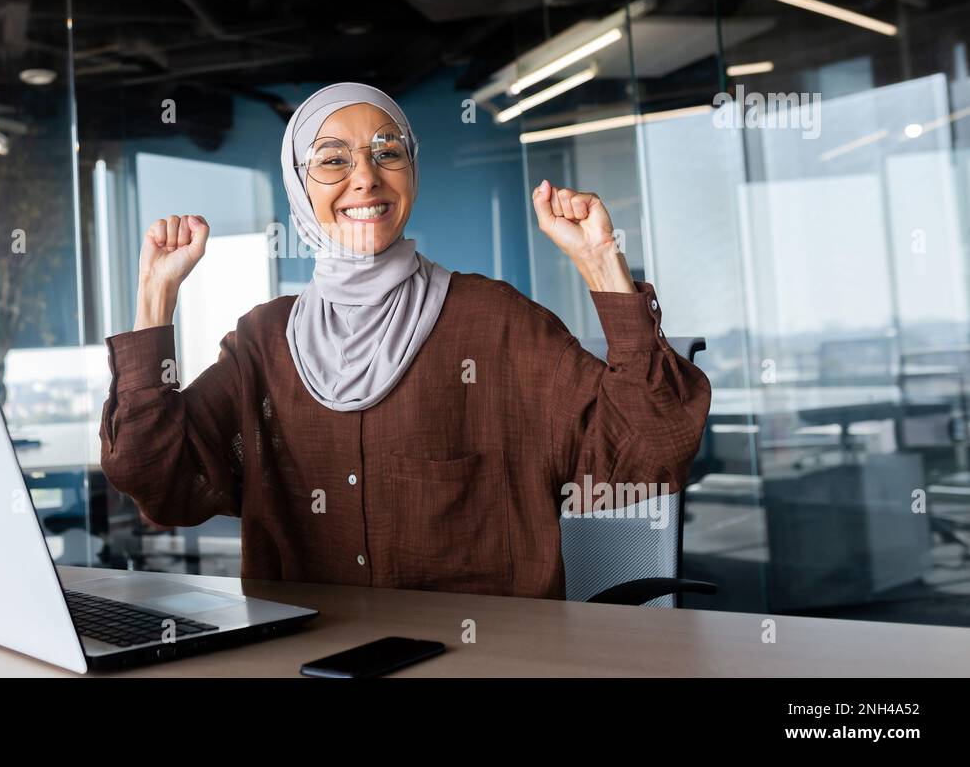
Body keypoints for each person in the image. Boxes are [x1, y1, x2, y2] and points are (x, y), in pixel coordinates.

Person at [99, 82, 710, 597]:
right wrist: (155, 299)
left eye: (387, 152)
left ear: (411, 172)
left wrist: (605, 264)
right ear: (300, 189)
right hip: (309, 658)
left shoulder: (493, 322)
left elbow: (648, 454)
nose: (365, 178)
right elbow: (161, 484)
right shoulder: (263, 342)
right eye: (333, 159)